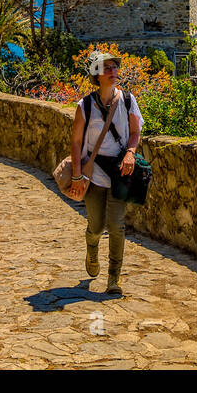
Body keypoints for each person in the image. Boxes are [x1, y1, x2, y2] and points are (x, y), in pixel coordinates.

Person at [67, 51, 143, 295]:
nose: (113, 72)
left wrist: (131, 152)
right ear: (96, 75)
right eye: (106, 68)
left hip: (120, 171)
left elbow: (135, 133)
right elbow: (76, 143)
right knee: (98, 225)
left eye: (114, 67)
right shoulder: (85, 106)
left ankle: (114, 278)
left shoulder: (129, 101)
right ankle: (92, 244)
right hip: (94, 173)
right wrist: (77, 175)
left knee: (117, 226)